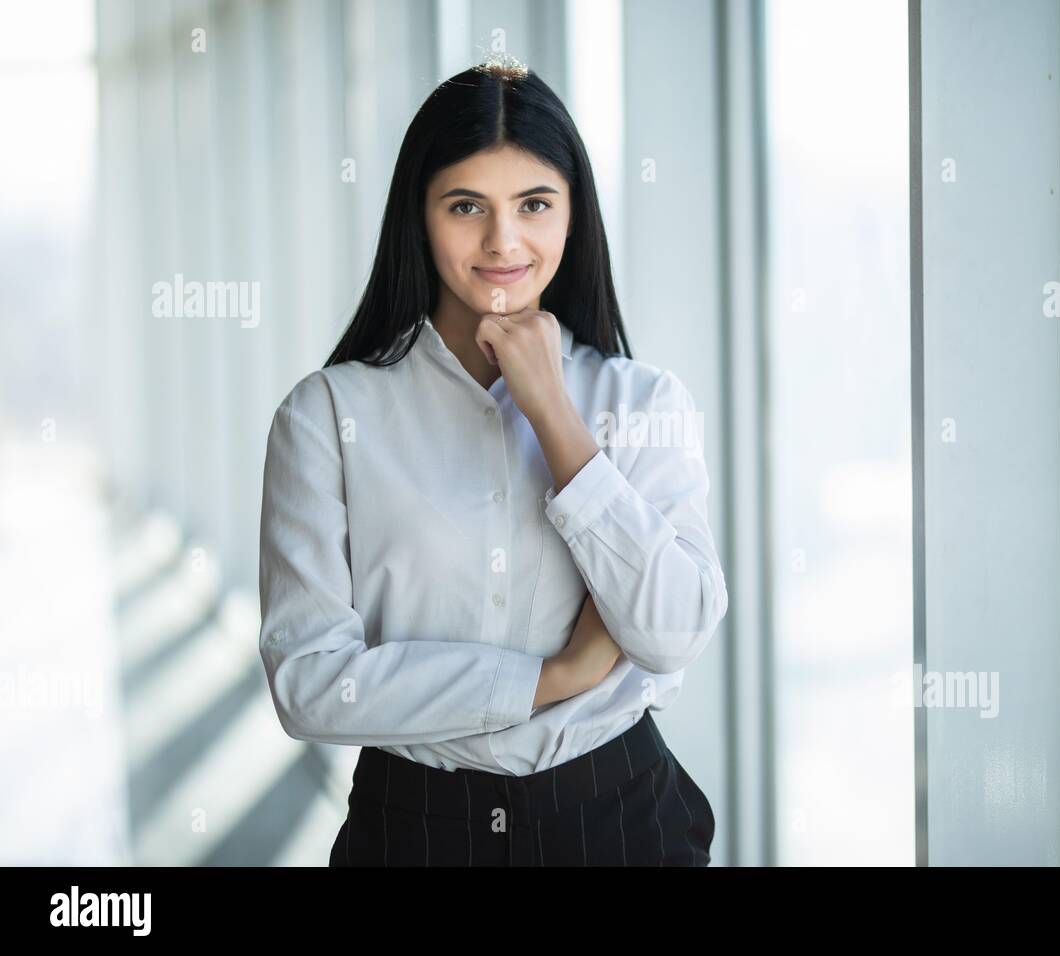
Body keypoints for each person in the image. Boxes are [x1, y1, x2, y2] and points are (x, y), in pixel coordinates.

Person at [256, 55, 728, 866]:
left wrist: (552, 414)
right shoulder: (327, 416)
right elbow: (310, 686)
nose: (503, 241)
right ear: (420, 216)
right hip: (415, 826)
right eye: (466, 205)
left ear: (573, 215)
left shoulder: (643, 402)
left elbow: (674, 629)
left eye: (534, 204)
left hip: (618, 815)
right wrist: (559, 676)